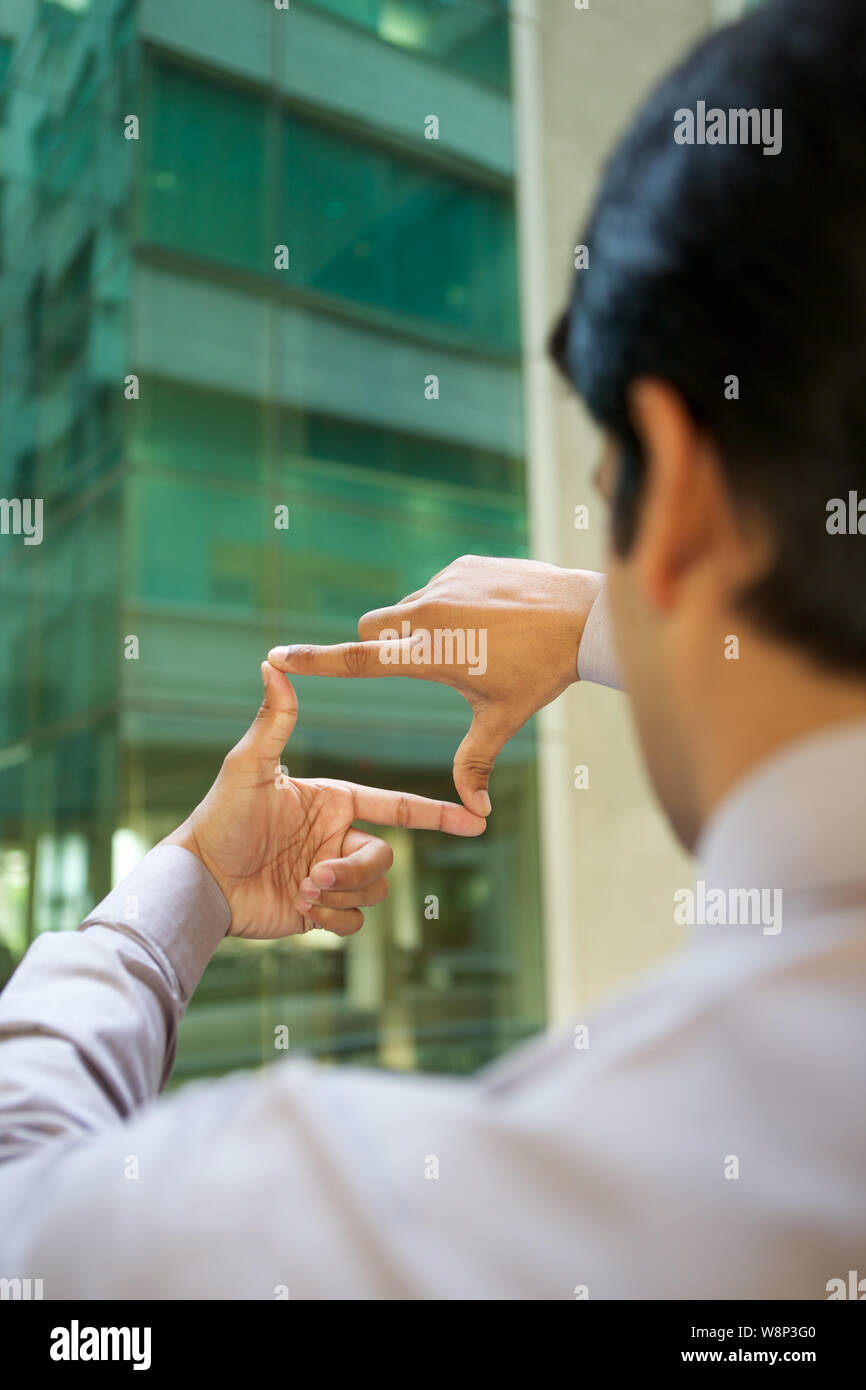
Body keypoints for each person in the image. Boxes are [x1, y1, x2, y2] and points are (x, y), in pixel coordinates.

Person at [2, 0, 866, 1298]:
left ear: (675, 488)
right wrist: (597, 615)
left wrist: (180, 891)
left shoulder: (460, 1222)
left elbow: (22, 1206)